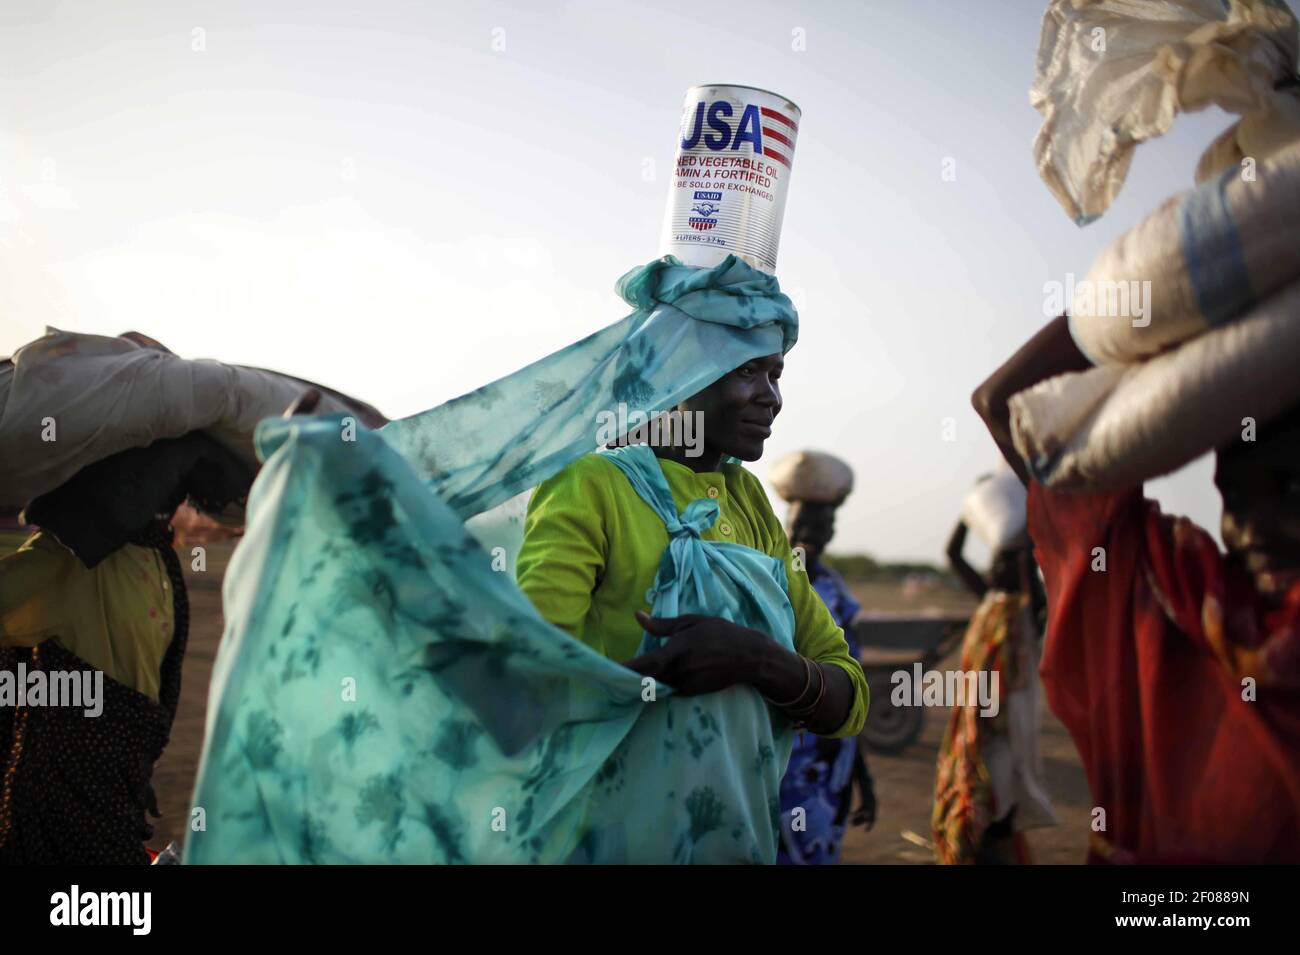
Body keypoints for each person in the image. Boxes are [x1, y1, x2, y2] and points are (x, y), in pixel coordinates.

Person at [973, 314, 1300, 863]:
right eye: (1233, 499)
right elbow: (1004, 404)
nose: (1250, 530)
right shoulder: (1178, 598)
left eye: (1292, 490)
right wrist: (1170, 299)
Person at [516, 353, 870, 846]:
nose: (771, 397)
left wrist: (757, 660)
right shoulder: (590, 485)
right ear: (677, 371)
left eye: (776, 374)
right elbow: (532, 679)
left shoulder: (751, 504)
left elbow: (849, 698)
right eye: (747, 371)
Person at [0, 432, 250, 863]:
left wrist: (127, 767)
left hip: (112, 787)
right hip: (69, 800)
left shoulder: (143, 557)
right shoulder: (88, 557)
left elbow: (137, 693)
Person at [933, 516, 1055, 864]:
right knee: (977, 795)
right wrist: (973, 512)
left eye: (1008, 561)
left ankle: (991, 852)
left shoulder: (1030, 612)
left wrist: (1027, 534)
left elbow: (1030, 581)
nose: (996, 566)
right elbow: (953, 553)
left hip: (1007, 727)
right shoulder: (989, 599)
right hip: (977, 726)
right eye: (996, 558)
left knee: (997, 799)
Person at [776, 484, 876, 865]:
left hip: (830, 760)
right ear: (786, 521)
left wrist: (858, 773)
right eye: (803, 525)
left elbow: (854, 684)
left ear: (832, 532)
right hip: (779, 755)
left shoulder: (836, 590)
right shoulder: (766, 576)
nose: (811, 536)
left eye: (822, 527)